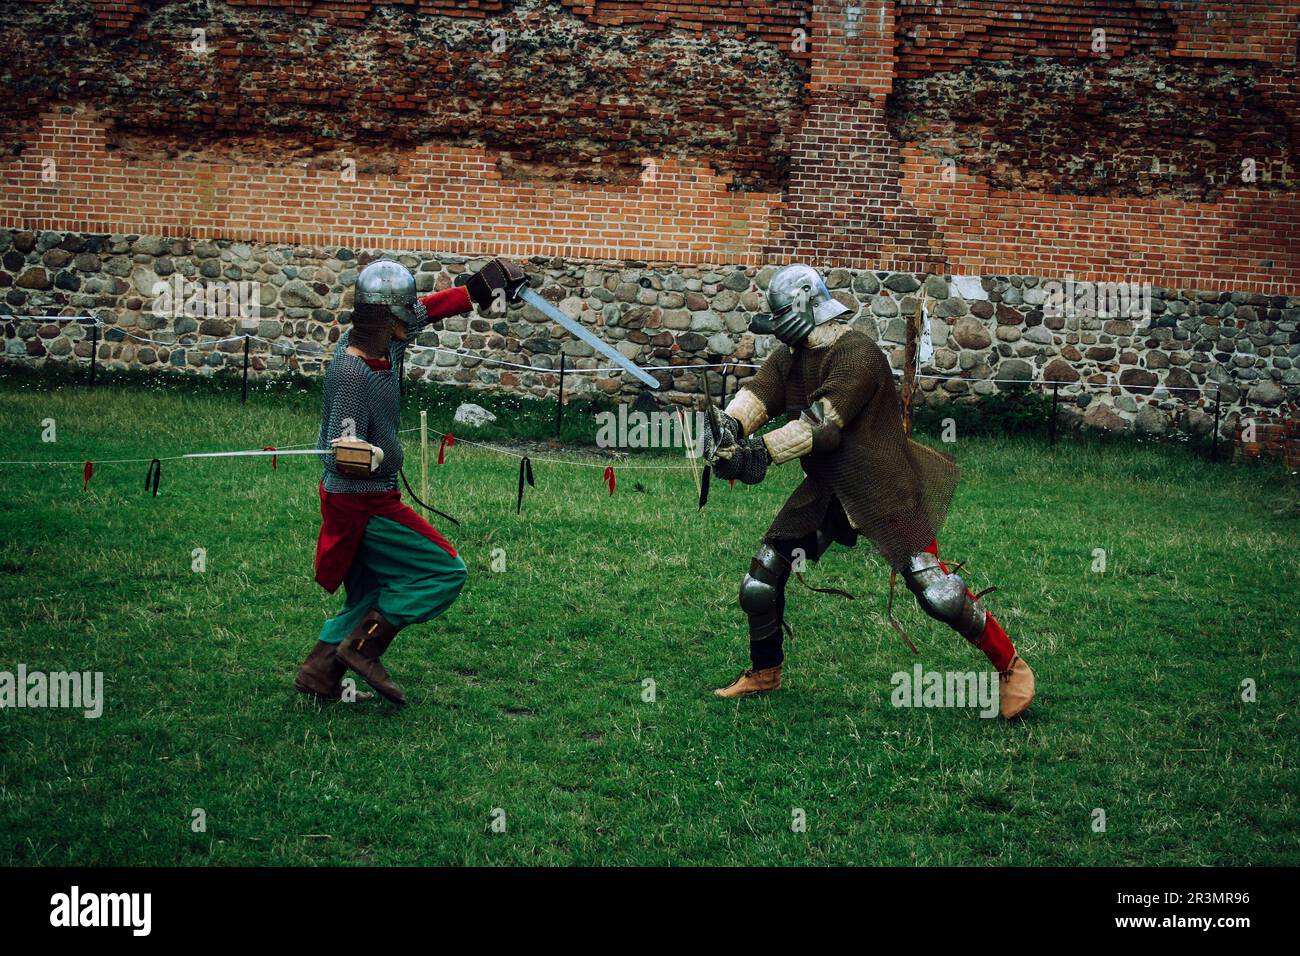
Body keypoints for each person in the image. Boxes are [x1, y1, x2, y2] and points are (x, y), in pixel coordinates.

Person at [704, 264, 1035, 718]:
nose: (776, 323)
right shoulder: (793, 354)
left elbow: (821, 427)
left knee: (937, 593)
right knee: (760, 582)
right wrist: (728, 425)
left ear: (803, 308)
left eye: (781, 313)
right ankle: (765, 672)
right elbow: (760, 394)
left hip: (883, 487)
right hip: (827, 489)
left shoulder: (858, 356)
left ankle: (1011, 666)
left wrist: (756, 454)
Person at [294, 256, 526, 704]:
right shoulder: (351, 373)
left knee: (373, 590)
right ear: (382, 317)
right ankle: (364, 648)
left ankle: (319, 674)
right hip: (362, 500)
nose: (410, 319)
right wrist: (373, 455)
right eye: (402, 313)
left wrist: (476, 290)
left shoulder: (387, 344)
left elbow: (427, 310)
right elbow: (341, 454)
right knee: (444, 570)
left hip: (367, 495)